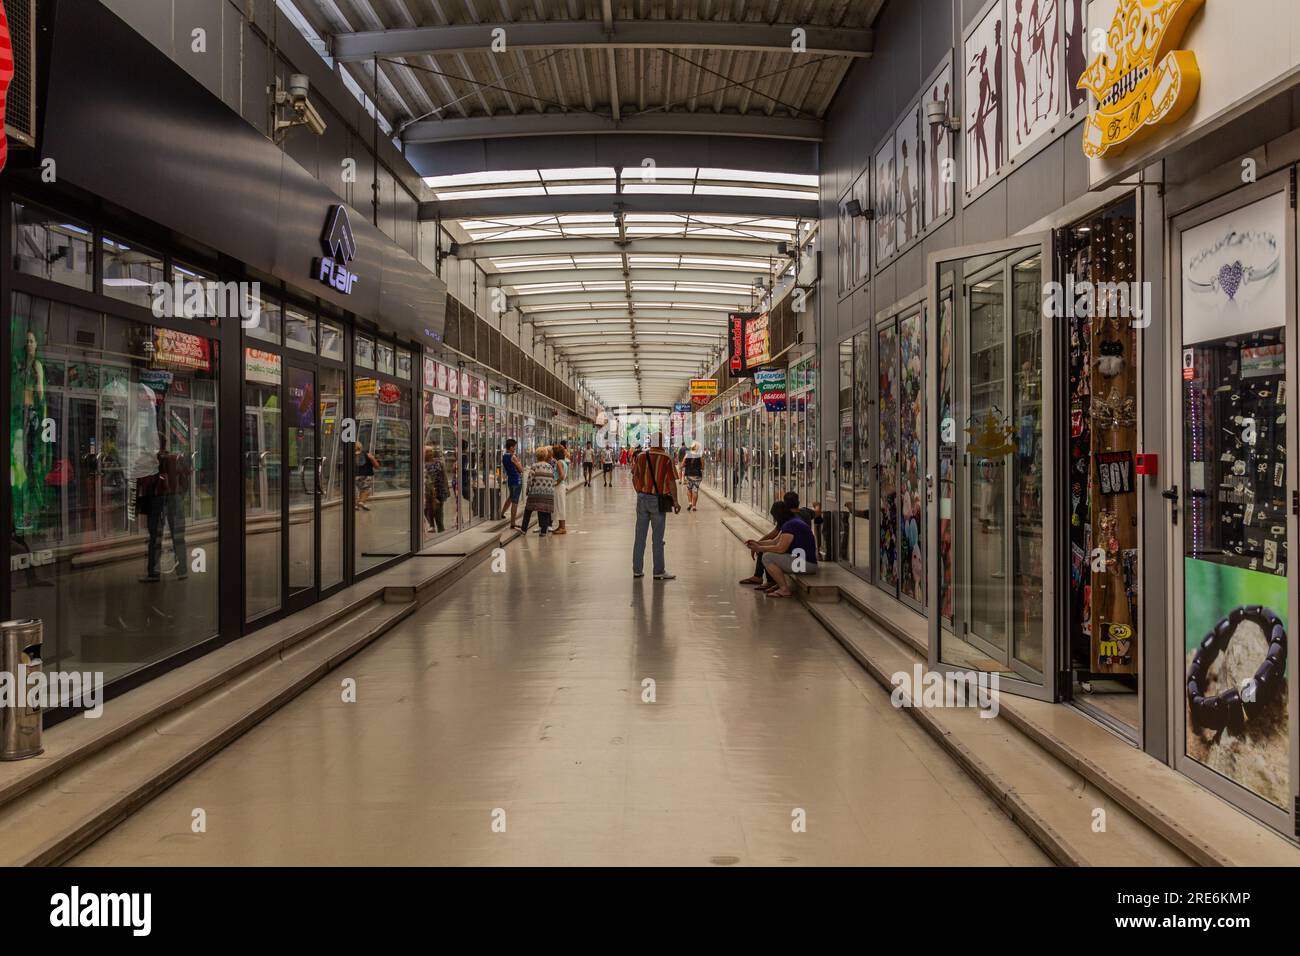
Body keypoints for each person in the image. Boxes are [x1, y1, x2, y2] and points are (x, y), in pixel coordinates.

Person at [631, 432, 679, 580]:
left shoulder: (641, 457)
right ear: (662, 442)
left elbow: (635, 476)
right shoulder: (666, 458)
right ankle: (658, 571)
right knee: (658, 538)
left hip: (642, 499)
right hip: (658, 501)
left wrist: (639, 491)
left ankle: (637, 570)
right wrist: (675, 502)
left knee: (640, 536)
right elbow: (671, 482)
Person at [139, 441, 190, 583]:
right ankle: (182, 571)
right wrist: (180, 494)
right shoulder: (175, 458)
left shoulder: (151, 460)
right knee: (178, 536)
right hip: (175, 499)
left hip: (158, 499)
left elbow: (146, 483)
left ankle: (153, 573)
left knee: (155, 537)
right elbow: (186, 477)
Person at [750, 500, 819, 598]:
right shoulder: (792, 521)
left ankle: (784, 589)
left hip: (805, 565)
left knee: (767, 557)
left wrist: (760, 548)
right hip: (804, 562)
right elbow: (774, 542)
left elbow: (781, 548)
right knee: (769, 554)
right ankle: (779, 584)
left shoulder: (790, 525)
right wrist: (756, 543)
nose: (774, 520)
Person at [520, 446, 555, 535]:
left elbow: (530, 480)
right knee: (544, 510)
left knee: (528, 510)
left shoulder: (534, 466)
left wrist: (527, 490)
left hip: (535, 492)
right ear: (545, 455)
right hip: (548, 493)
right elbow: (552, 479)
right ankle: (543, 531)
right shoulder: (550, 467)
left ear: (537, 456)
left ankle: (524, 529)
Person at [424, 443, 450, 533]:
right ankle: (431, 525)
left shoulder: (439, 463)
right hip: (427, 491)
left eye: (430, 451)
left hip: (438, 491)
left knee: (438, 510)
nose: (429, 453)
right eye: (427, 452)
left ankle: (440, 528)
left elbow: (445, 476)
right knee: (427, 509)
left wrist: (446, 489)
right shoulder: (421, 464)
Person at [499, 438, 524, 529]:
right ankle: (512, 522)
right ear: (511, 447)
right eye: (514, 447)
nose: (515, 448)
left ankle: (501, 513)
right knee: (515, 501)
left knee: (510, 497)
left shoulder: (504, 456)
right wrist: (518, 463)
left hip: (510, 479)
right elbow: (521, 469)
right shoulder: (513, 457)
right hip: (516, 480)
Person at [551, 443, 569, 535]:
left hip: (559, 486)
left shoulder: (558, 463)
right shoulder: (564, 462)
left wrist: (556, 482)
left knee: (560, 506)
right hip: (561, 486)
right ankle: (560, 526)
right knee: (560, 506)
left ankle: (562, 527)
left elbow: (561, 475)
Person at [681, 440, 704, 511]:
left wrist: (686, 465)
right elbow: (702, 466)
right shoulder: (700, 455)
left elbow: (682, 464)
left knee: (689, 489)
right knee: (695, 490)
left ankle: (690, 502)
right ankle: (694, 506)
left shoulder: (687, 454)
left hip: (689, 474)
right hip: (697, 475)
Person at [355, 444, 379, 511]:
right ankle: (361, 502)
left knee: (359, 490)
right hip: (365, 475)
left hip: (354, 476)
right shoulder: (367, 454)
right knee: (367, 490)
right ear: (360, 447)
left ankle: (357, 505)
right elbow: (376, 465)